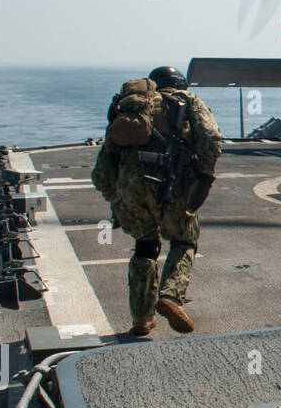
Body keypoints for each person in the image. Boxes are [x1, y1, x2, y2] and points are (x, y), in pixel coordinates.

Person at [92, 66, 222, 336]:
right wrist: (206, 175)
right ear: (180, 84)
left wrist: (113, 195)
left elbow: (104, 164)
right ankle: (171, 297)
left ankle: (141, 318)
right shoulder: (186, 101)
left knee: (145, 245)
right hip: (171, 184)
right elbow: (210, 137)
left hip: (128, 189)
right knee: (184, 240)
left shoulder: (130, 108)